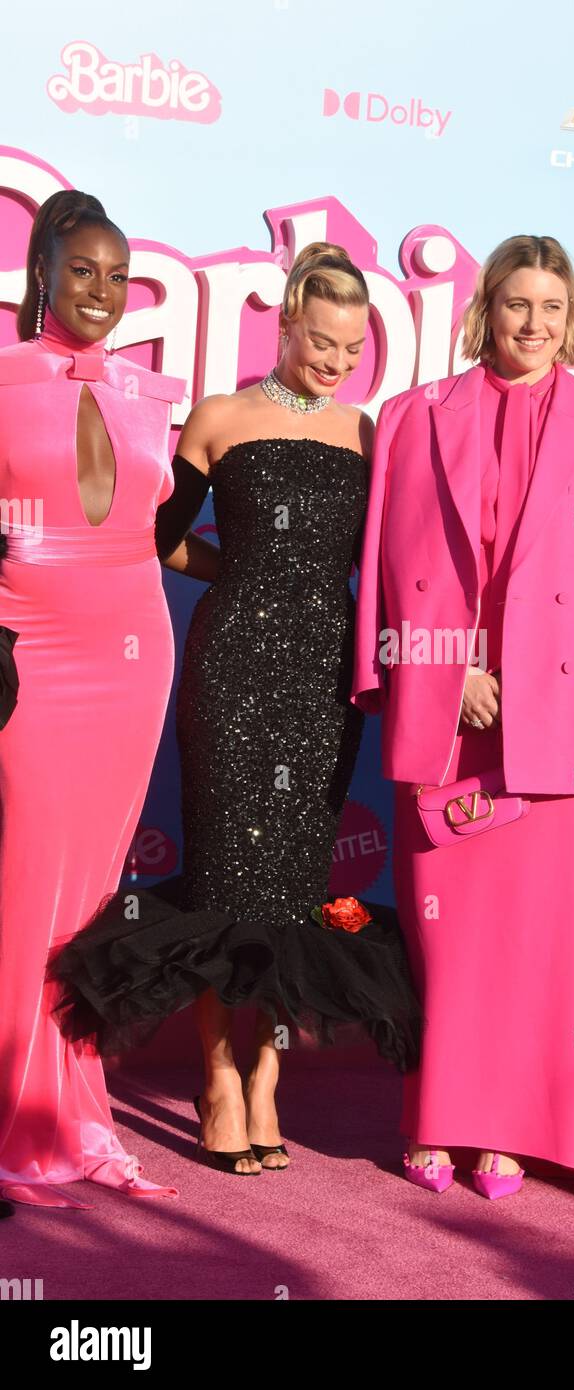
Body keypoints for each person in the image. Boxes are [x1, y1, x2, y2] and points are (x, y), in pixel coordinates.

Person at [52, 243, 421, 1176]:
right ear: (289, 319)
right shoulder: (217, 419)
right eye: (322, 340)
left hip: (322, 680)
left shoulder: (370, 436)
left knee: (292, 889)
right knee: (226, 882)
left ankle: (267, 1081)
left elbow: (389, 563)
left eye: (351, 349)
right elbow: (161, 541)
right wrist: (254, 576)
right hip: (232, 671)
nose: (335, 362)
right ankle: (221, 1079)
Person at [352, 234, 574, 1202]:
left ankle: (515, 1132)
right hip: (446, 716)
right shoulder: (411, 417)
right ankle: (441, 1121)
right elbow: (385, 574)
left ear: (571, 318)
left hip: (557, 719)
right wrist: (442, 677)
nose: (531, 323)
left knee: (536, 951)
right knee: (447, 946)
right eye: (513, 303)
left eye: (549, 306)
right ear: (482, 309)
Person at [0, 189, 185, 1210]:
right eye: (84, 271)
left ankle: (81, 1117)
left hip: (131, 652)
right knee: (26, 887)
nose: (104, 291)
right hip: (31, 646)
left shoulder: (156, 395)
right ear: (43, 274)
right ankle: (16, 1124)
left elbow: (155, 535)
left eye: (120, 276)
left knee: (89, 903)